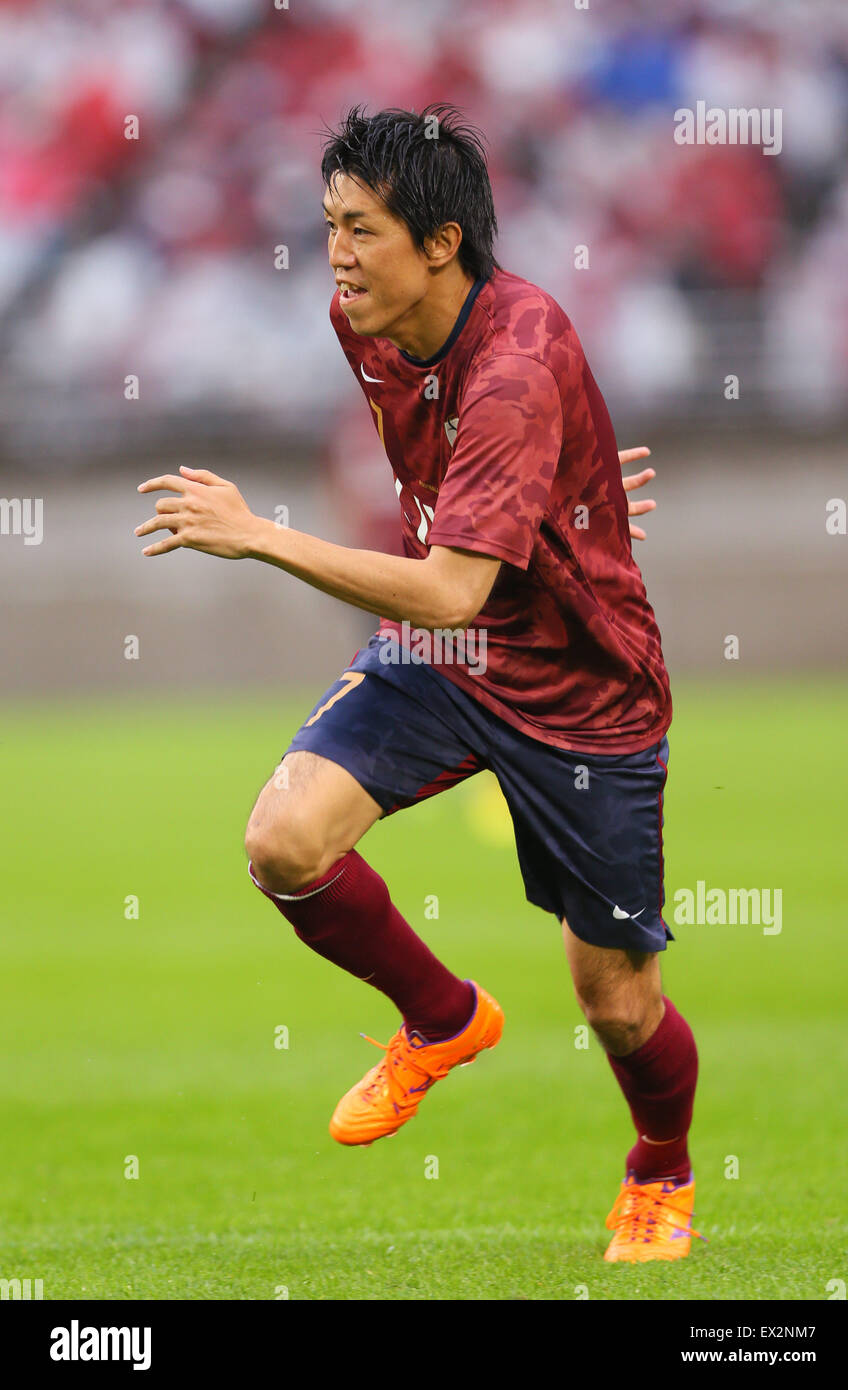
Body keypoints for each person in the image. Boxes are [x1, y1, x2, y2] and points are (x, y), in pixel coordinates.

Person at [136, 105, 700, 1263]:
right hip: (451, 656)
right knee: (284, 840)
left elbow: (445, 587)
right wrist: (559, 491)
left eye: (359, 229)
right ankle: (441, 1018)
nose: (332, 253)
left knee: (615, 1004)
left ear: (439, 242)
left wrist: (259, 534)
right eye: (328, 223)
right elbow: (453, 545)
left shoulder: (514, 367)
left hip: (577, 686)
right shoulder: (371, 320)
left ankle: (660, 1169)